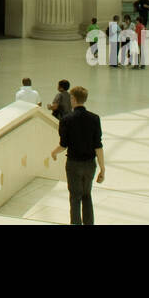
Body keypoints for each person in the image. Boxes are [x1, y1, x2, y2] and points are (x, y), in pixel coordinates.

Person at [50, 85, 105, 225]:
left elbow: (63, 145)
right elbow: (98, 145)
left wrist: (54, 153)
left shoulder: (67, 120)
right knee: (87, 195)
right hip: (89, 164)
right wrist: (102, 168)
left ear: (73, 99)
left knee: (75, 197)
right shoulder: (94, 118)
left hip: (74, 164)